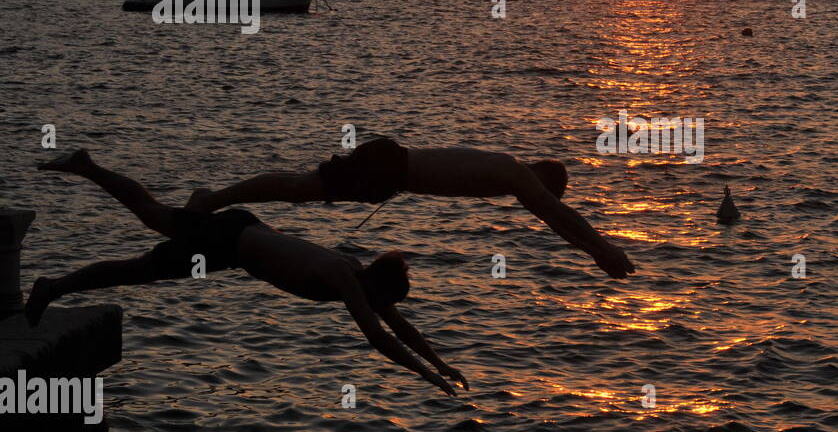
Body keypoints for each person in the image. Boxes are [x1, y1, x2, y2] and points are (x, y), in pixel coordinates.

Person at [26, 149, 466, 396]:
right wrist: (427, 377)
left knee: (149, 230)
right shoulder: (345, 278)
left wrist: (442, 363)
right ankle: (60, 266)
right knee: (141, 248)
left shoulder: (358, 274)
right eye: (381, 303)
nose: (380, 311)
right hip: (227, 240)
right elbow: (378, 337)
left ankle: (63, 267)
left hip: (239, 233)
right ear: (375, 288)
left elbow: (399, 328)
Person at [185, 138, 635, 279]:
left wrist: (592, 251)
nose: (537, 205)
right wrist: (603, 251)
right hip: (388, 167)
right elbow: (560, 218)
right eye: (544, 197)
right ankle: (214, 199)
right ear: (544, 182)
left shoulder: (509, 169)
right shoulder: (518, 175)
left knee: (300, 189)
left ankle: (217, 201)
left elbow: (557, 219)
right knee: (299, 188)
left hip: (389, 169)